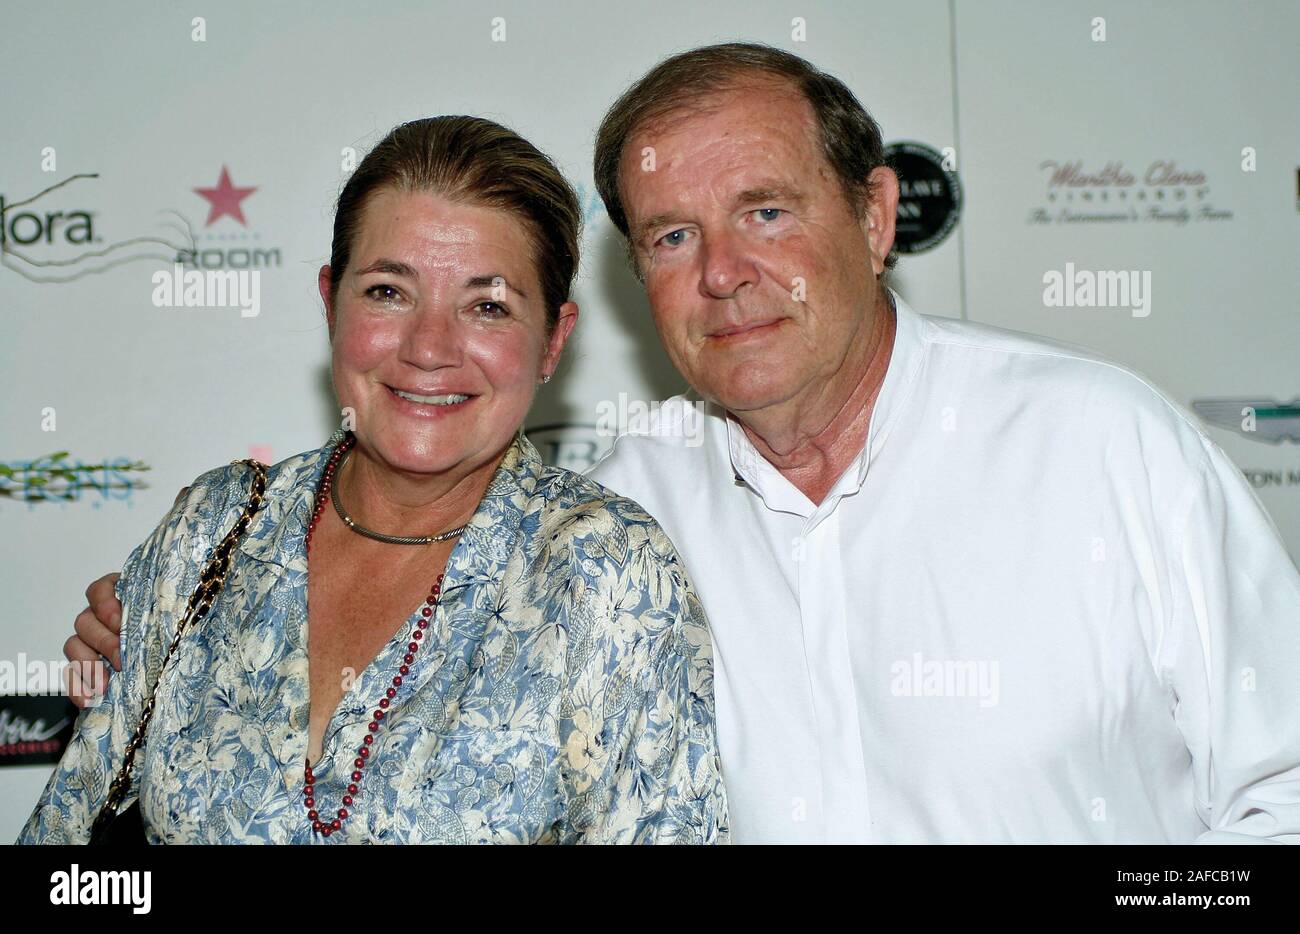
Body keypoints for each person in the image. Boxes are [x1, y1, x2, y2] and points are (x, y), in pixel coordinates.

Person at [65, 43, 1300, 844]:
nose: (724, 275)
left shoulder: (1102, 447)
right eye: (669, 236)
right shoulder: (601, 521)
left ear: (874, 216)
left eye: (765, 212)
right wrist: (176, 626)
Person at [22, 115, 728, 845]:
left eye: (487, 306)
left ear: (552, 340)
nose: (428, 348)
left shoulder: (602, 572)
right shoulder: (215, 527)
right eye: (390, 292)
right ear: (330, 302)